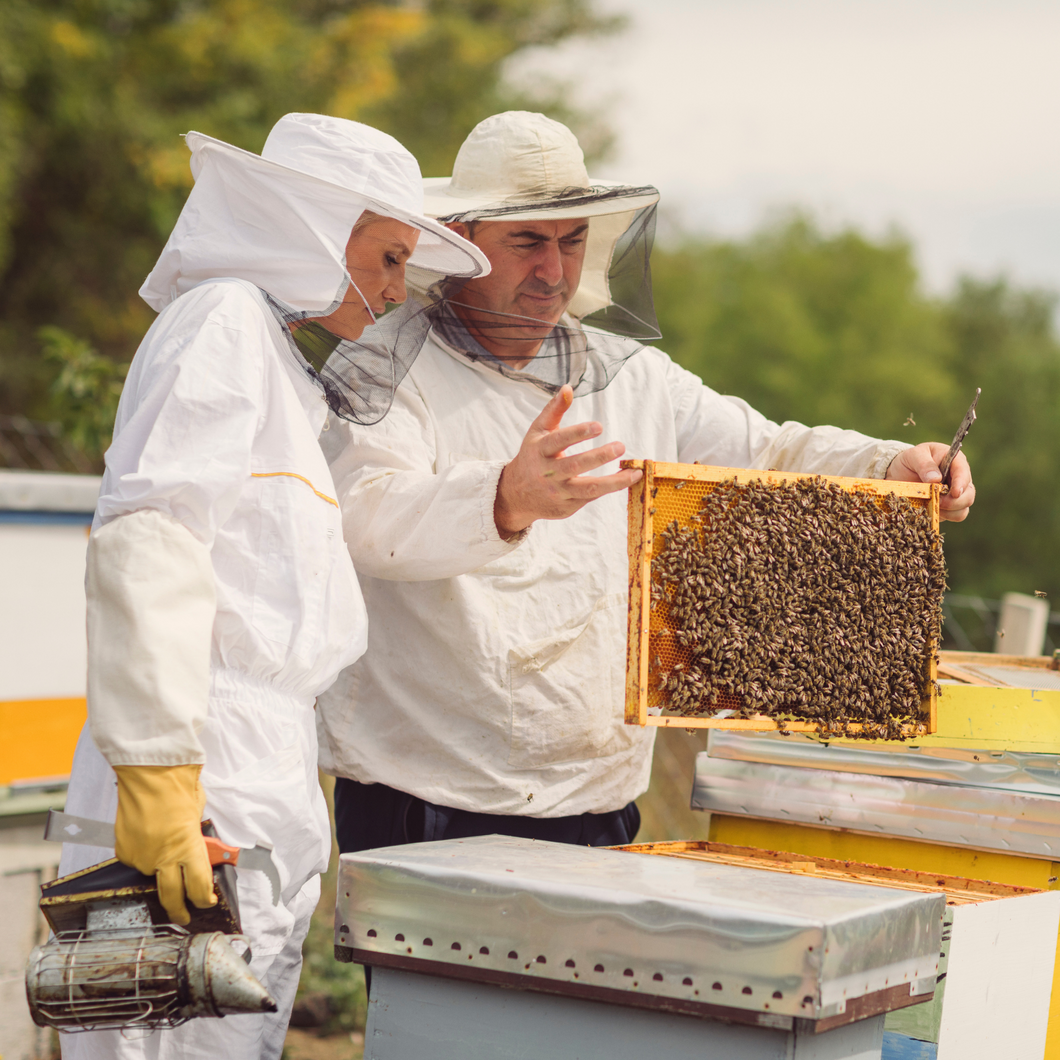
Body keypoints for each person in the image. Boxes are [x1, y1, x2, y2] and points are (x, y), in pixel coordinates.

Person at [316, 110, 975, 857]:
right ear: (463, 241)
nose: (554, 270)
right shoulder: (383, 370)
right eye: (528, 241)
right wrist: (504, 498)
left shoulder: (631, 375)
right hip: (429, 796)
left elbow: (765, 450)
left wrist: (890, 466)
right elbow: (364, 521)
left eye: (572, 242)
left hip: (599, 797)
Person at [56, 112, 488, 1060]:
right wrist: (160, 770)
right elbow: (152, 535)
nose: (390, 291)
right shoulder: (216, 325)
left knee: (235, 1041)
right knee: (161, 1043)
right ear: (304, 227)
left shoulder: (275, 360)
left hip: (266, 760)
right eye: (383, 258)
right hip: (204, 759)